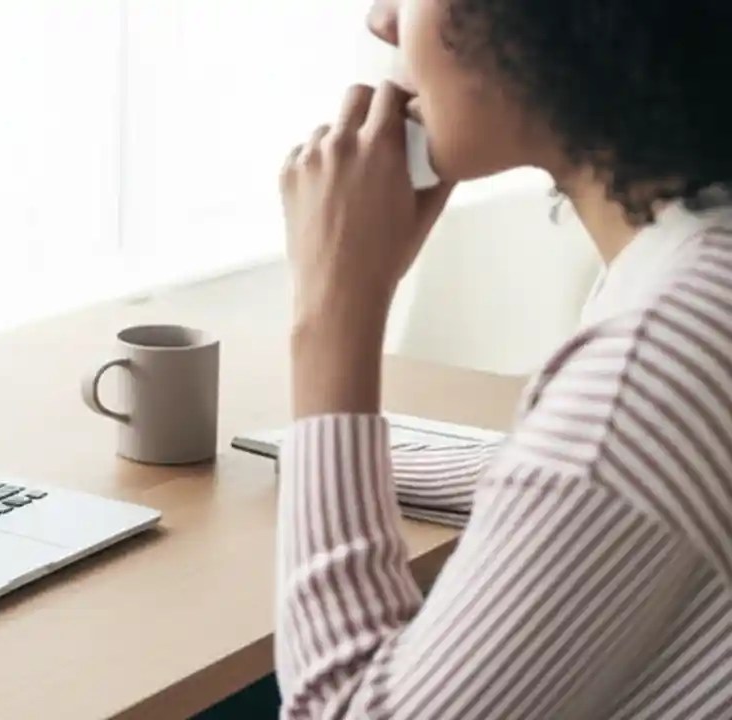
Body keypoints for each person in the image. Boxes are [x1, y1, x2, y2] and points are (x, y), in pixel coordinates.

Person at [275, 0, 732, 717]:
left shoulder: (656, 354)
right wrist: (310, 459)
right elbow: (604, 483)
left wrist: (333, 311)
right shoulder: (698, 274)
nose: (382, 18)